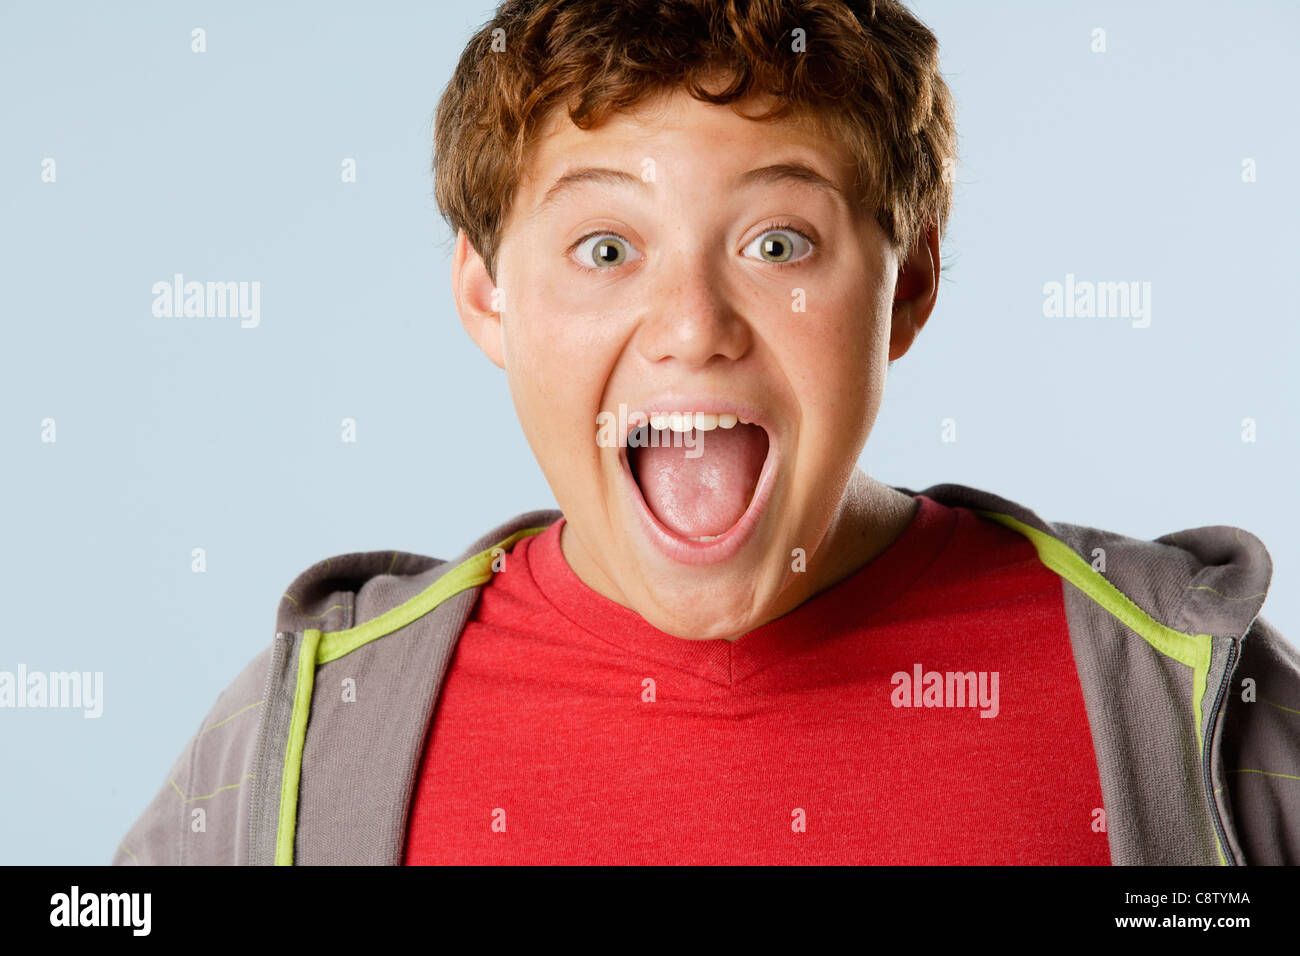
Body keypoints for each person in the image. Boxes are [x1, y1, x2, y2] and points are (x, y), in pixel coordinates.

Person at [113, 0, 1299, 866]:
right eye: (605, 248)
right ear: (486, 294)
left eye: (776, 242)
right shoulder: (313, 730)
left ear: (909, 282)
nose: (690, 326)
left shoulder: (1179, 686)